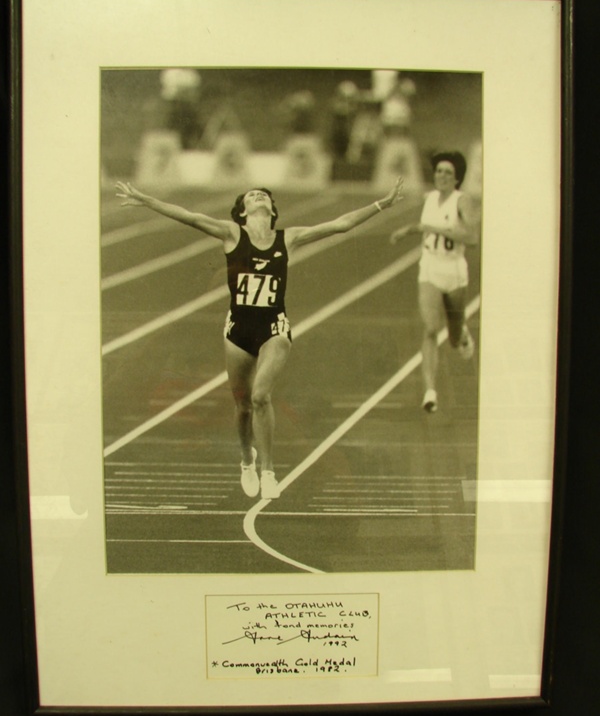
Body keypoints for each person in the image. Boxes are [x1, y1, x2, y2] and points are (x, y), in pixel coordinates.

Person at [115, 176, 404, 499]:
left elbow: (341, 224)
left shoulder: (288, 238)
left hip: (273, 328)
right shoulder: (231, 234)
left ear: (272, 209)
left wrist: (382, 204)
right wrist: (146, 199)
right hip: (238, 331)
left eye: (263, 195)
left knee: (260, 396)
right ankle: (246, 460)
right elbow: (188, 216)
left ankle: (268, 471)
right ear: (243, 211)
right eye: (252, 196)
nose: (258, 196)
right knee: (242, 406)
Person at [390, 151, 479, 413]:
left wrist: (437, 229)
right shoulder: (429, 199)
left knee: (453, 338)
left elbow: (472, 238)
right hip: (429, 267)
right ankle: (430, 391)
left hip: (454, 270)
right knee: (430, 328)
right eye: (439, 171)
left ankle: (462, 333)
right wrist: (406, 230)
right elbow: (423, 226)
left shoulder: (461, 201)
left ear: (457, 178)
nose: (442, 176)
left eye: (448, 172)